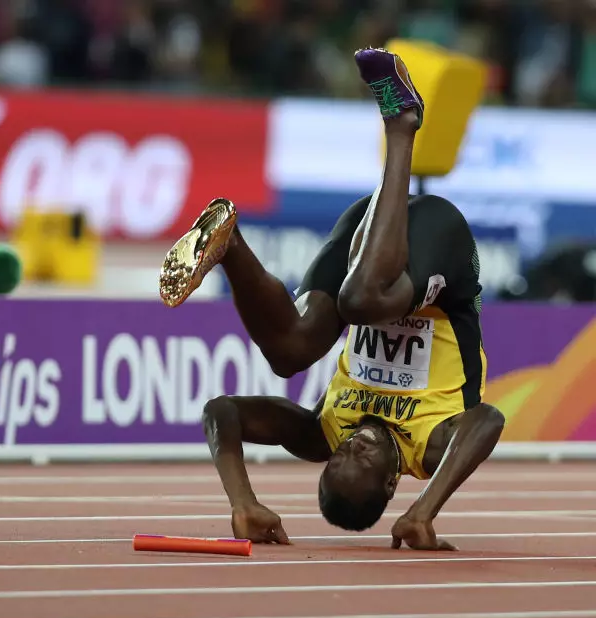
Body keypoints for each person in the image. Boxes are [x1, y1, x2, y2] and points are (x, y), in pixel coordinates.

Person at [158, 48, 506, 551]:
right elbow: (489, 419)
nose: (353, 445)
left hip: (371, 236)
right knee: (364, 299)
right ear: (392, 483)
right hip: (438, 253)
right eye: (361, 462)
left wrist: (242, 500)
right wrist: (423, 510)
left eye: (340, 456)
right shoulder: (428, 446)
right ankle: (403, 122)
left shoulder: (325, 432)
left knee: (289, 353)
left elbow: (221, 412)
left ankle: (230, 245)